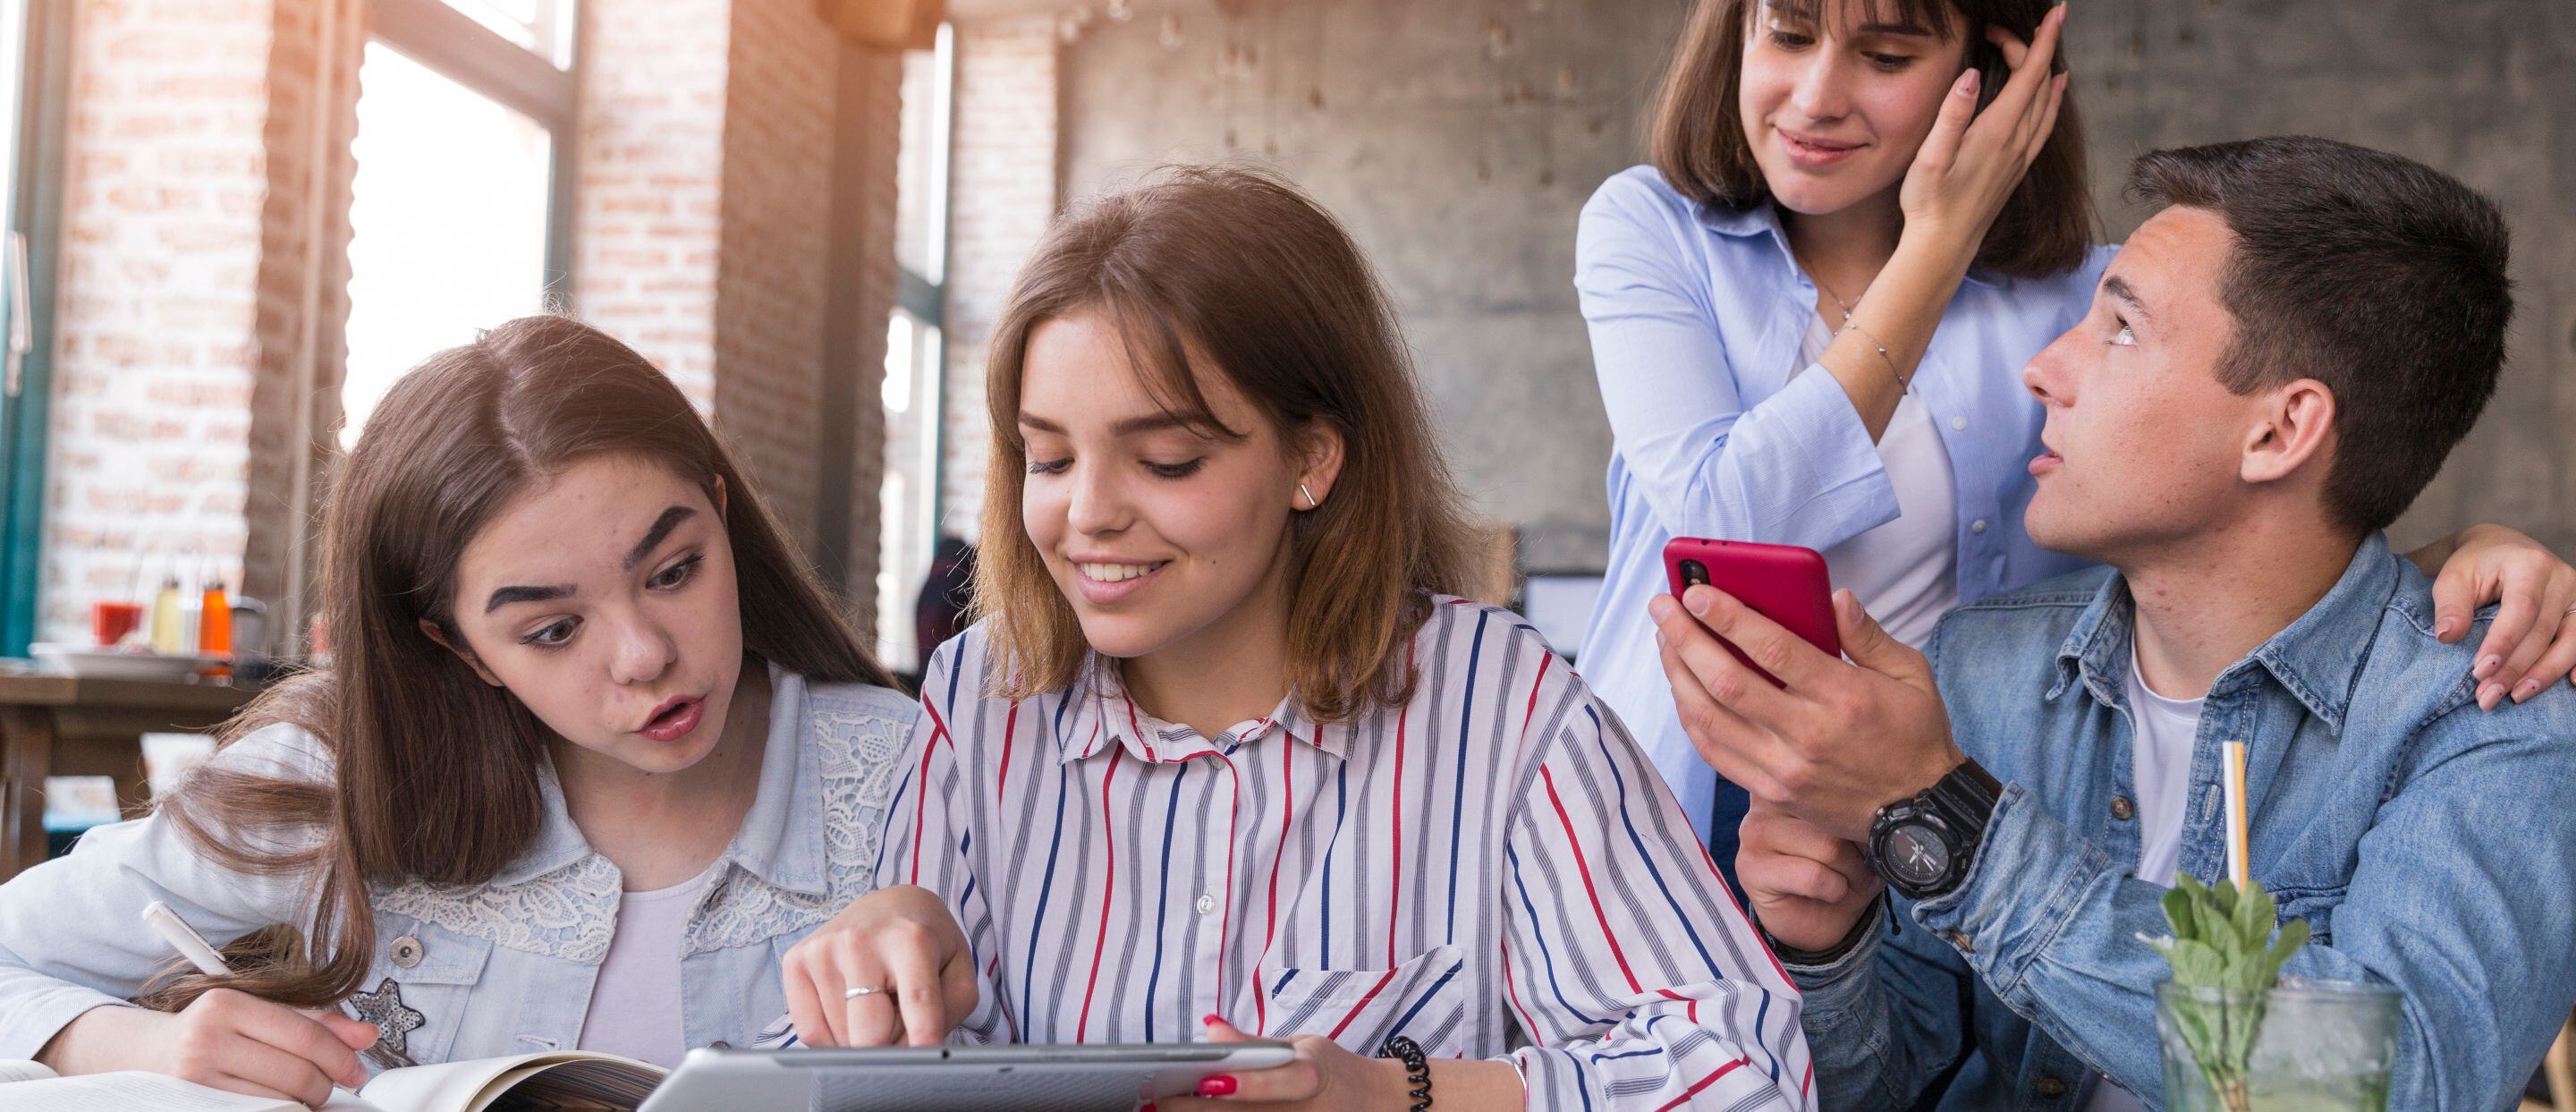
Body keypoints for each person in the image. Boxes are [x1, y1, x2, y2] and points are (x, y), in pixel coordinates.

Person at [775, 166, 1818, 1110]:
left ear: (1312, 460)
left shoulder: (1500, 705)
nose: (1086, 514)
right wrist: (883, 962)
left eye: (1167, 461)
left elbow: (1746, 1073)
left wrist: (1397, 1093)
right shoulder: (977, 700)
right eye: (1047, 459)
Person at [1649, 136, 2576, 1110]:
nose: (2044, 370)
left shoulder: (2489, 717)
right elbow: (1884, 1083)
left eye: (2120, 328)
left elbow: (2402, 1082)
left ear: (2279, 431)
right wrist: (1826, 949)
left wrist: (1952, 829)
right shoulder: (1978, 667)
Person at [1576, 0, 2576, 896]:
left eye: (1882, 55)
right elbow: (1718, 522)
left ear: (1995, 74)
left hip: (1944, 818)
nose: (1814, 95)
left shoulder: (2087, 304)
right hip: (1668, 801)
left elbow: (2261, 526)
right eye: (1786, 33)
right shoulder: (1654, 231)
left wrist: (2461, 558)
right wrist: (1935, 246)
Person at [0, 317, 916, 1105]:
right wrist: (139, 1046)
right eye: (555, 629)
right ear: (458, 646)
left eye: (674, 571)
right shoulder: (336, 774)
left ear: (721, 513)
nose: (644, 656)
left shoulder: (914, 775)